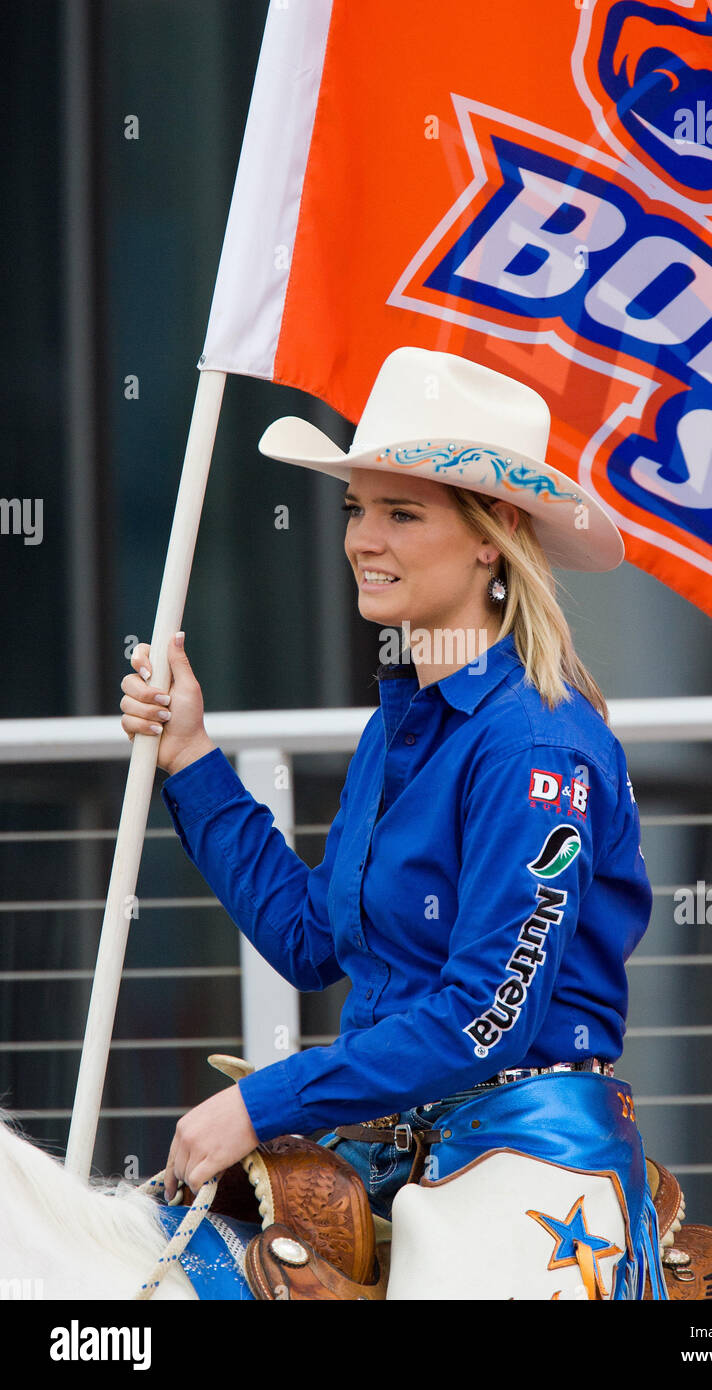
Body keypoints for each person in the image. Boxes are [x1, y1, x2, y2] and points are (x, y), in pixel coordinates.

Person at [119, 346, 667, 1300]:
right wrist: (192, 759)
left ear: (492, 536)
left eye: (401, 513)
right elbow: (308, 940)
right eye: (354, 510)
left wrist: (257, 1105)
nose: (362, 540)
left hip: (530, 1155)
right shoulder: (400, 724)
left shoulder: (537, 747)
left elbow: (485, 1019)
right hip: (386, 1143)